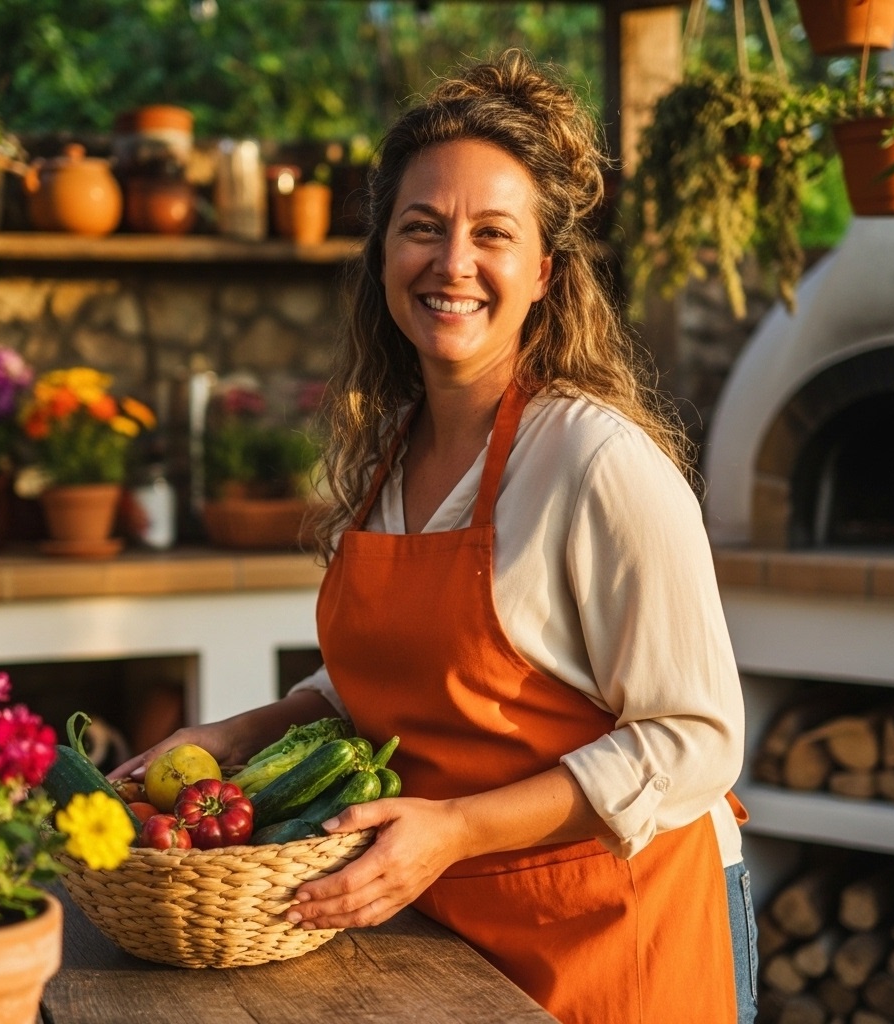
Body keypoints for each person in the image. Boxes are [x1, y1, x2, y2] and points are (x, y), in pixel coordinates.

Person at [111, 49, 758, 1024]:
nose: (451, 263)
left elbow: (696, 738)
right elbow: (387, 683)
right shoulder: (388, 456)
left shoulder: (595, 462)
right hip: (460, 943)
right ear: (381, 256)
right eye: (422, 228)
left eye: (491, 234)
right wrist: (236, 732)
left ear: (544, 269)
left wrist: (455, 826)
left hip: (619, 935)